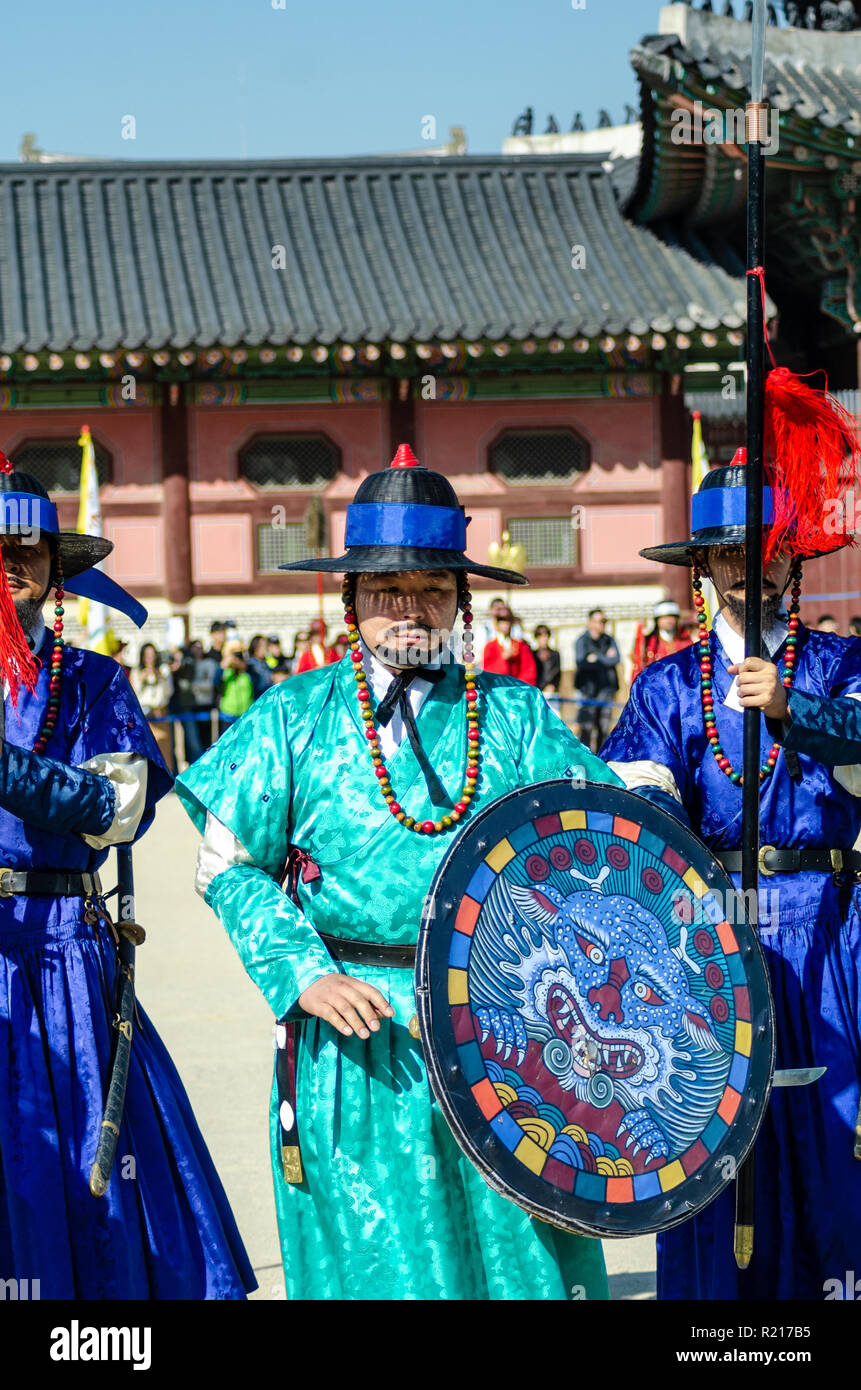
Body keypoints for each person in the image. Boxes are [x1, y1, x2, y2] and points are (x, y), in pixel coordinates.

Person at [175, 443, 622, 1301]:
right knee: (383, 1266)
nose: (410, 608)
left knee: (518, 1263)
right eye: (387, 589)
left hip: (511, 1040)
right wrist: (298, 971)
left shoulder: (520, 716)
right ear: (349, 600)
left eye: (432, 589)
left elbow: (605, 851)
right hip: (360, 1039)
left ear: (462, 601)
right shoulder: (290, 718)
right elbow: (226, 868)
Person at [601, 445, 861, 1301]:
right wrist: (684, 876)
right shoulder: (666, 685)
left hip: (824, 923)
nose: (748, 569)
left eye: (767, 551)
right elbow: (635, 809)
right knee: (711, 1143)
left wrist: (794, 709)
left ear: (792, 562)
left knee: (833, 1134)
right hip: (706, 933)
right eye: (727, 555)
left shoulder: (839, 667)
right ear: (703, 568)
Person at [0, 455, 254, 1298]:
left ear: (54, 569)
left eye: (27, 550)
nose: (11, 563)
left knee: (88, 1171)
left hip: (64, 949)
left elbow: (120, 808)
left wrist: (11, 773)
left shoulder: (96, 681)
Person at [573, 609, 619, 752]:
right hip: (588, 690)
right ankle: (586, 761)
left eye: (605, 621)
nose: (603, 624)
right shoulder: (582, 641)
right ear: (591, 623)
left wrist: (596, 657)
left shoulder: (609, 640)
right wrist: (605, 657)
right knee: (586, 727)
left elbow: (616, 659)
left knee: (603, 727)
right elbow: (582, 662)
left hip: (606, 689)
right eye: (600, 621)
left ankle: (601, 759)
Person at [131, 642, 175, 775]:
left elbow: (169, 692)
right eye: (147, 655)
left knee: (164, 746)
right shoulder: (136, 671)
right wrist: (140, 679)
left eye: (152, 655)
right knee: (147, 748)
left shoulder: (164, 670)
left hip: (160, 711)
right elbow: (134, 693)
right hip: (144, 714)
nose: (150, 658)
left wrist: (160, 678)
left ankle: (167, 777)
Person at [630, 599, 693, 681]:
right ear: (657, 620)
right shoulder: (648, 643)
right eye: (664, 618)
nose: (668, 621)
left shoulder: (687, 641)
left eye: (671, 617)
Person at [481, 603, 537, 684]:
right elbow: (487, 673)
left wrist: (518, 687)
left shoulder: (521, 646)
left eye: (508, 621)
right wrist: (503, 658)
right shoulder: (490, 646)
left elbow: (529, 672)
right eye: (502, 621)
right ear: (496, 624)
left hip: (517, 691)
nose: (506, 625)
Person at [218, 640, 253, 734]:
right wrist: (224, 665)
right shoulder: (225, 672)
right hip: (228, 716)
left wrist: (244, 665)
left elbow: (259, 683)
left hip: (245, 716)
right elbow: (215, 683)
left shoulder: (248, 673)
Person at [246, 633, 274, 701]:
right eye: (262, 646)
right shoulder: (250, 664)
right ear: (255, 647)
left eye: (266, 646)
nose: (265, 649)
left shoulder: (266, 663)